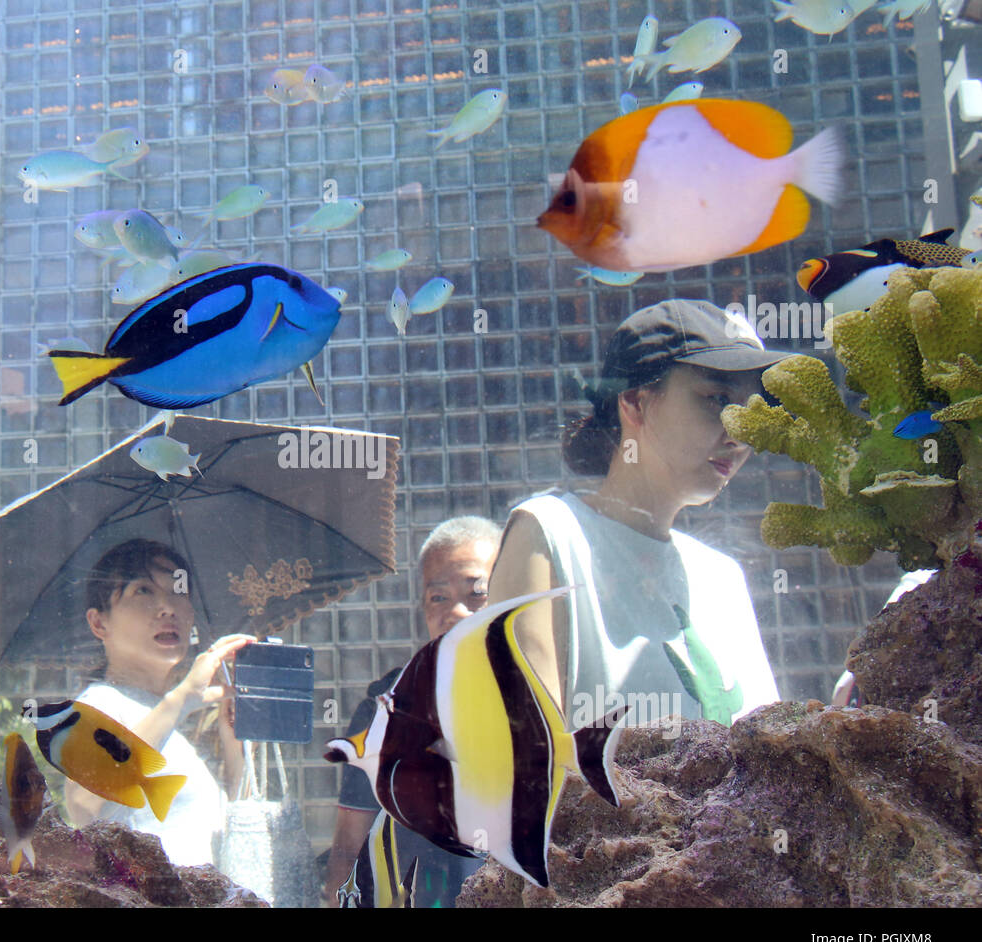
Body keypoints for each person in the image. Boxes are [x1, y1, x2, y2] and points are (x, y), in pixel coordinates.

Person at [488, 300, 787, 729]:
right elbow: (528, 761)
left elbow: (766, 761)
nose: (741, 434)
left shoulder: (724, 576)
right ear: (635, 402)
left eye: (753, 409)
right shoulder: (551, 533)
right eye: (718, 399)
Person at [322, 515, 501, 907]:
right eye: (438, 597)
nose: (455, 611)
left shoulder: (541, 691)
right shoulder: (387, 704)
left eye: (477, 593)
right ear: (422, 605)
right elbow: (349, 844)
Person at [65, 538, 254, 867]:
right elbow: (84, 803)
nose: (168, 607)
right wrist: (181, 699)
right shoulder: (98, 704)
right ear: (99, 623)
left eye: (178, 591)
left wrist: (233, 744)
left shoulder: (170, 720)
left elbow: (231, 837)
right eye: (143, 591)